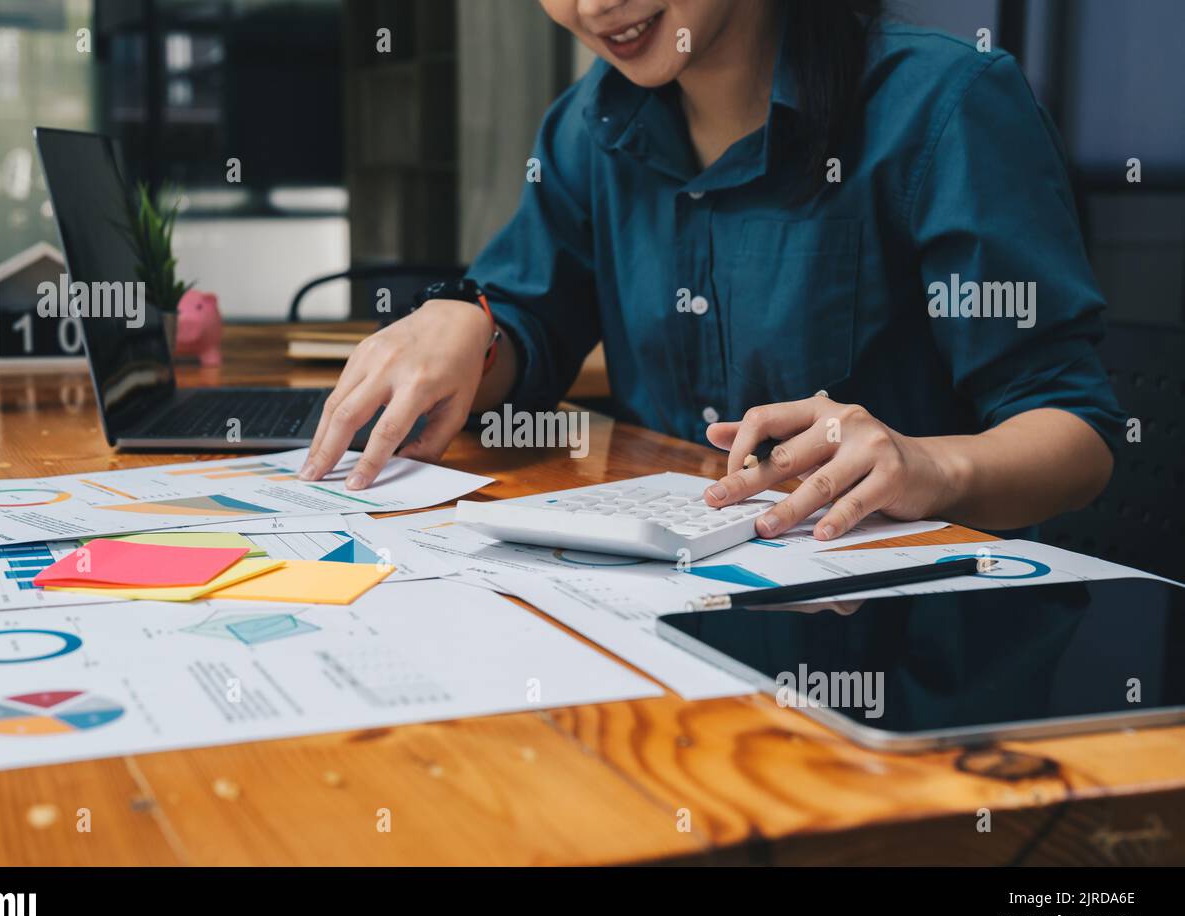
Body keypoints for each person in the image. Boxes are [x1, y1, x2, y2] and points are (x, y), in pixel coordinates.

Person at [300, 0, 1121, 543]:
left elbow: (1076, 440)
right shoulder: (592, 125)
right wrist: (468, 328)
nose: (591, 7)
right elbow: (527, 332)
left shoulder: (945, 105)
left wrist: (934, 466)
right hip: (651, 599)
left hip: (900, 632)